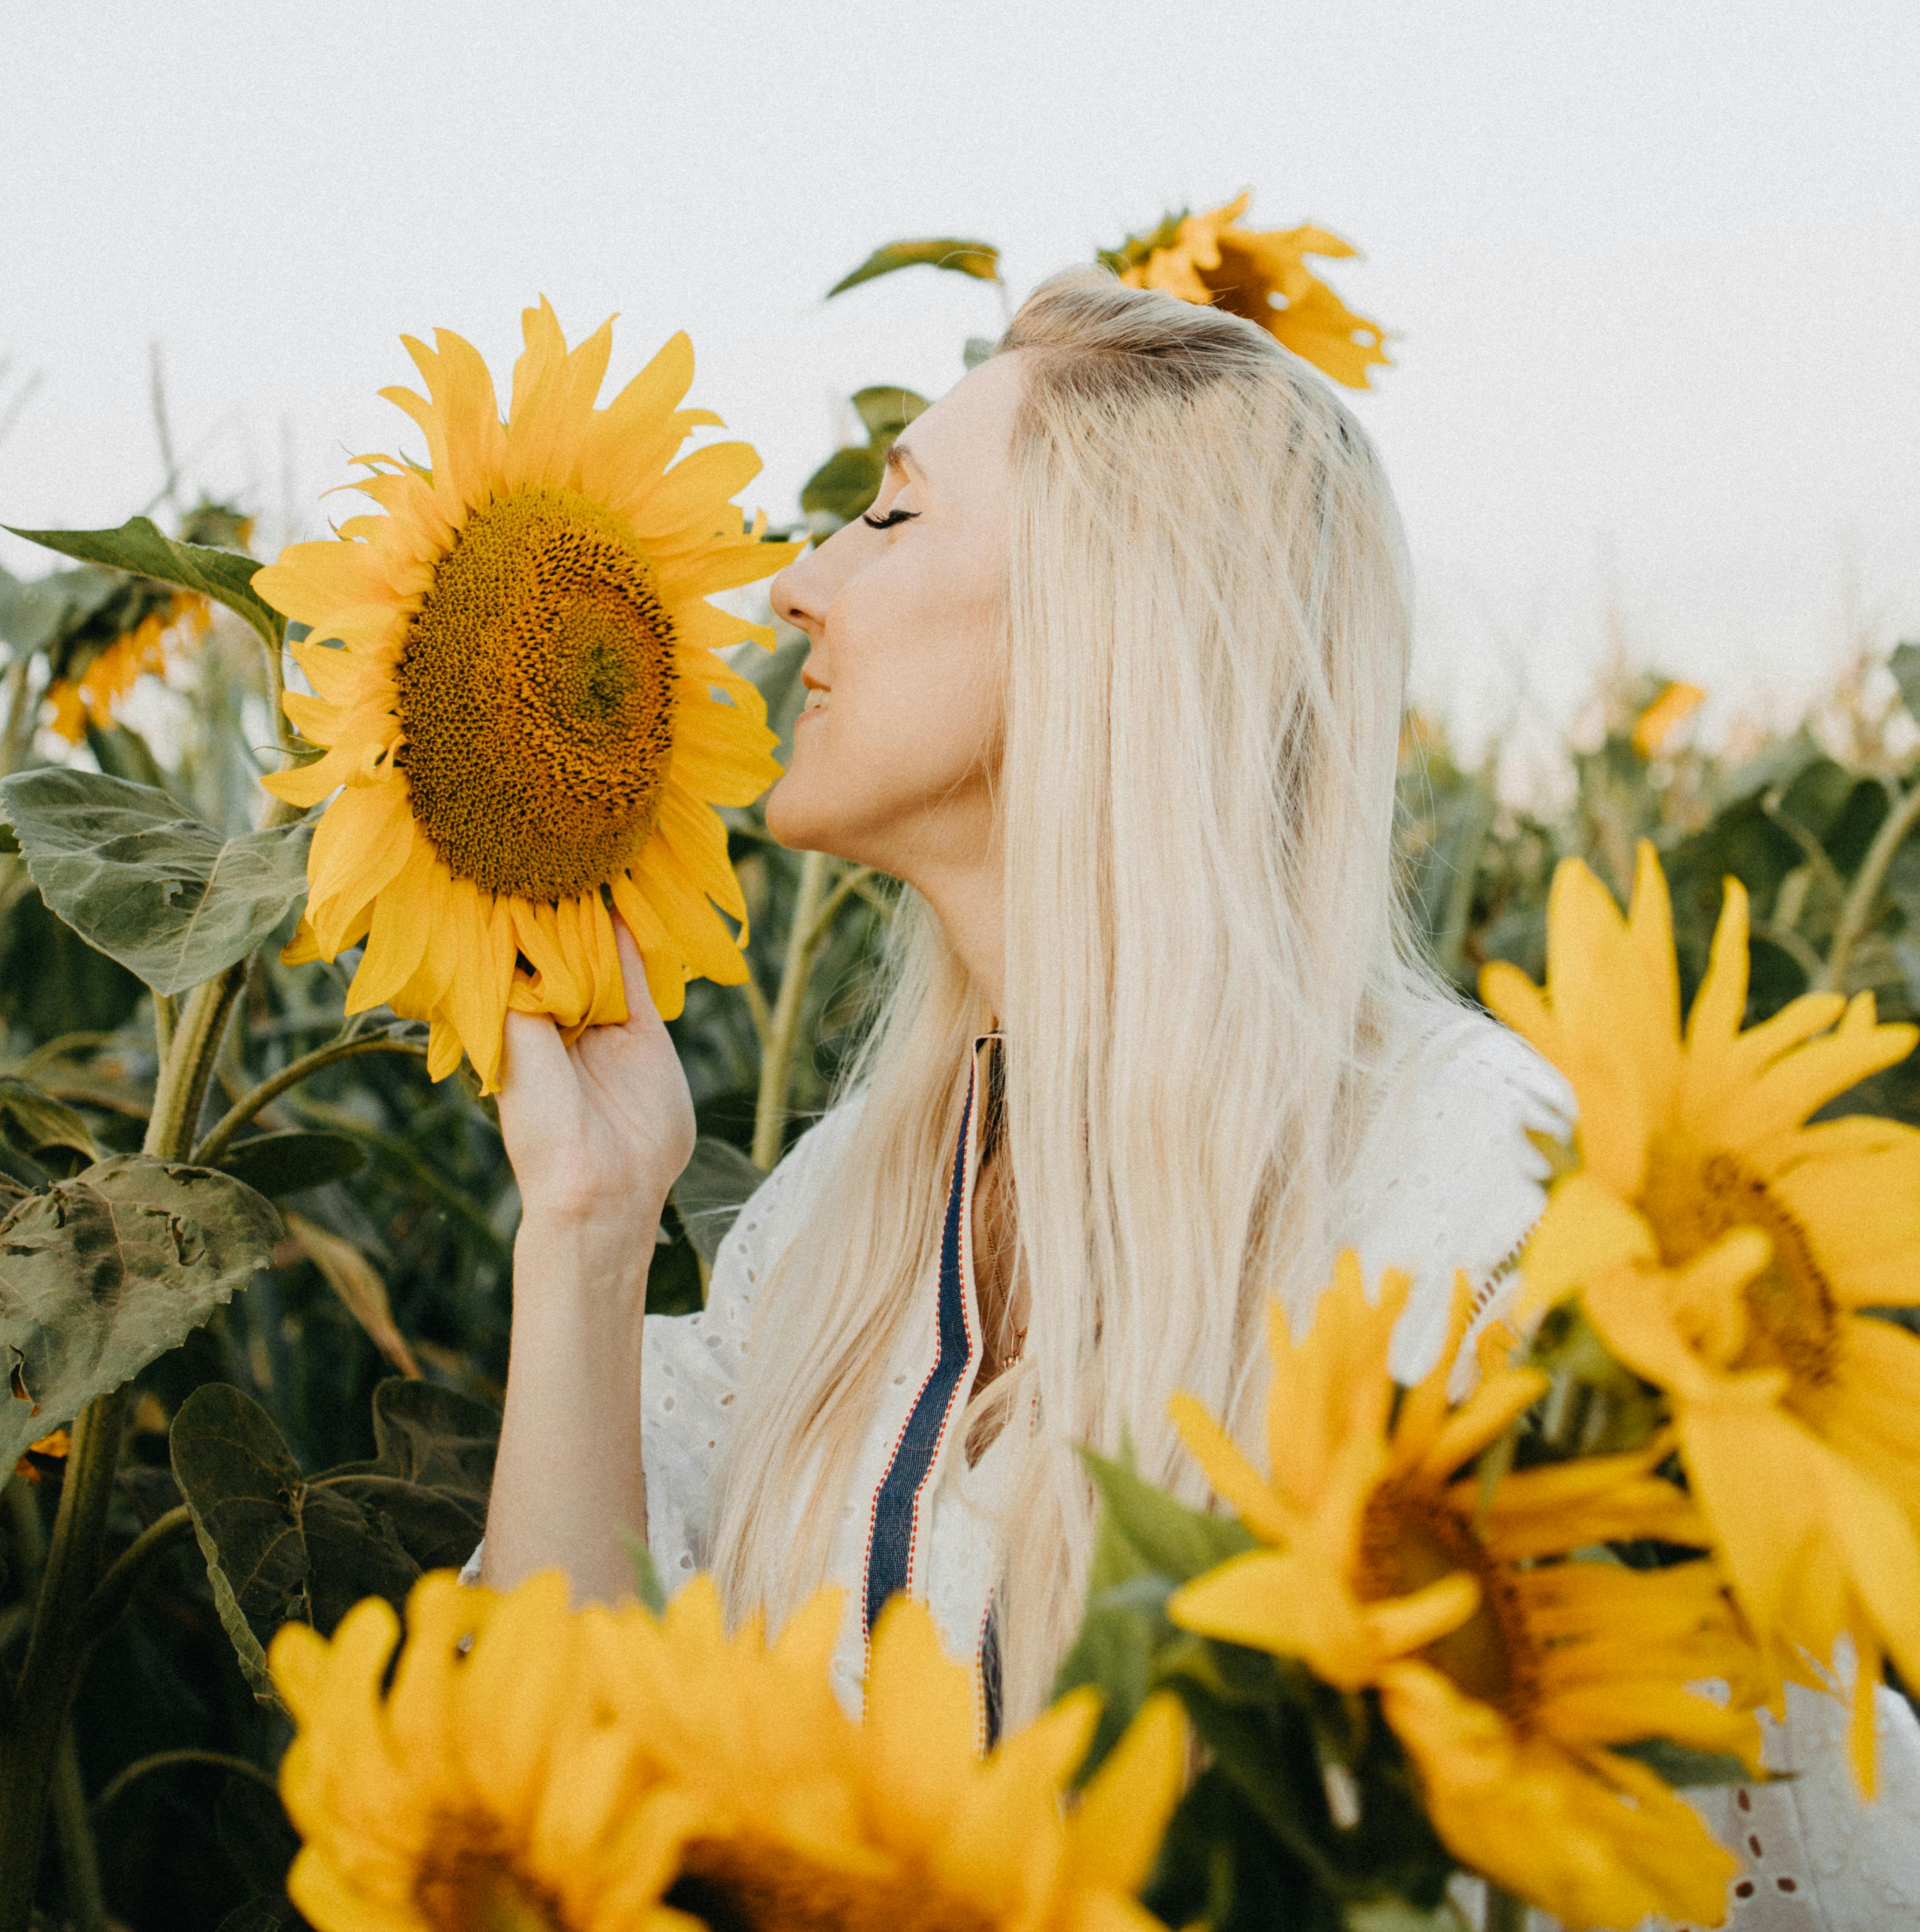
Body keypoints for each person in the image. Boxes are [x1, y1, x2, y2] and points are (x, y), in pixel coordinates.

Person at [474, 271, 1920, 1929]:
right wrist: (588, 1223)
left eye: (884, 516)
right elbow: (555, 1763)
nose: (798, 584)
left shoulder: (1495, 1201)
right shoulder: (840, 1208)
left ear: (1104, 606)